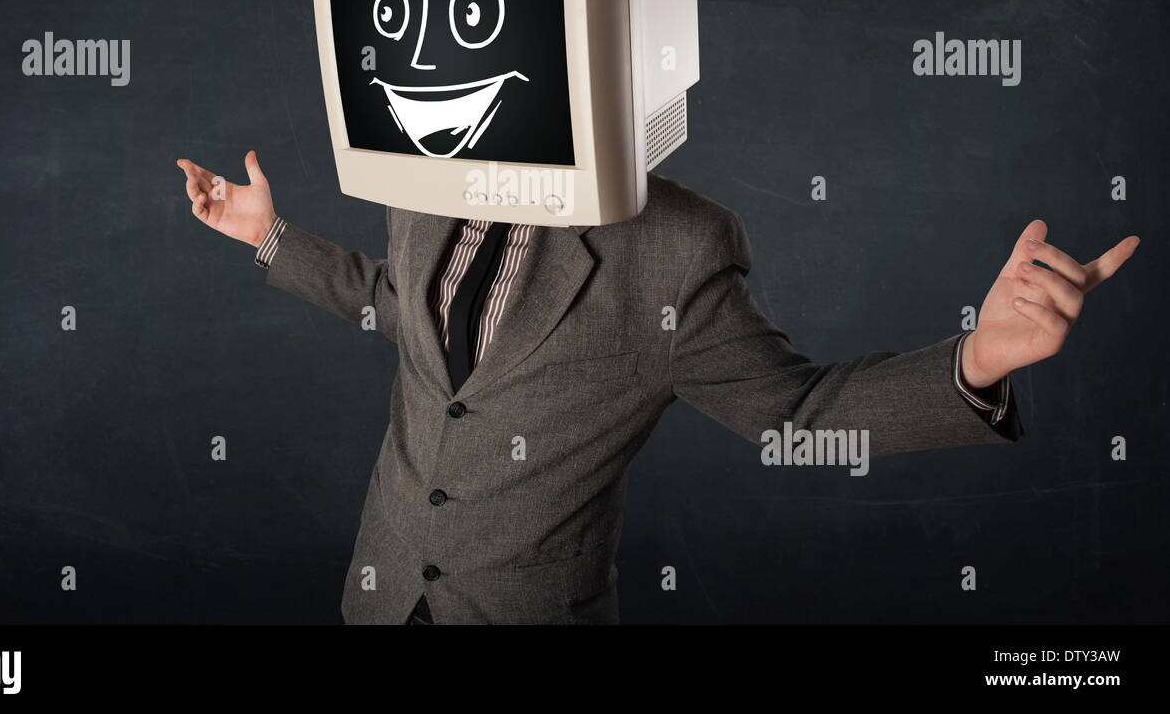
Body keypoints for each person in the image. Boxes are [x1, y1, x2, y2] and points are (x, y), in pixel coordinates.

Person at [177, 151, 1139, 624]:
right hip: (382, 589)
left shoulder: (673, 251)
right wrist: (266, 236)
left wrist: (978, 363)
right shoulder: (425, 177)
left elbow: (796, 416)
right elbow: (398, 305)